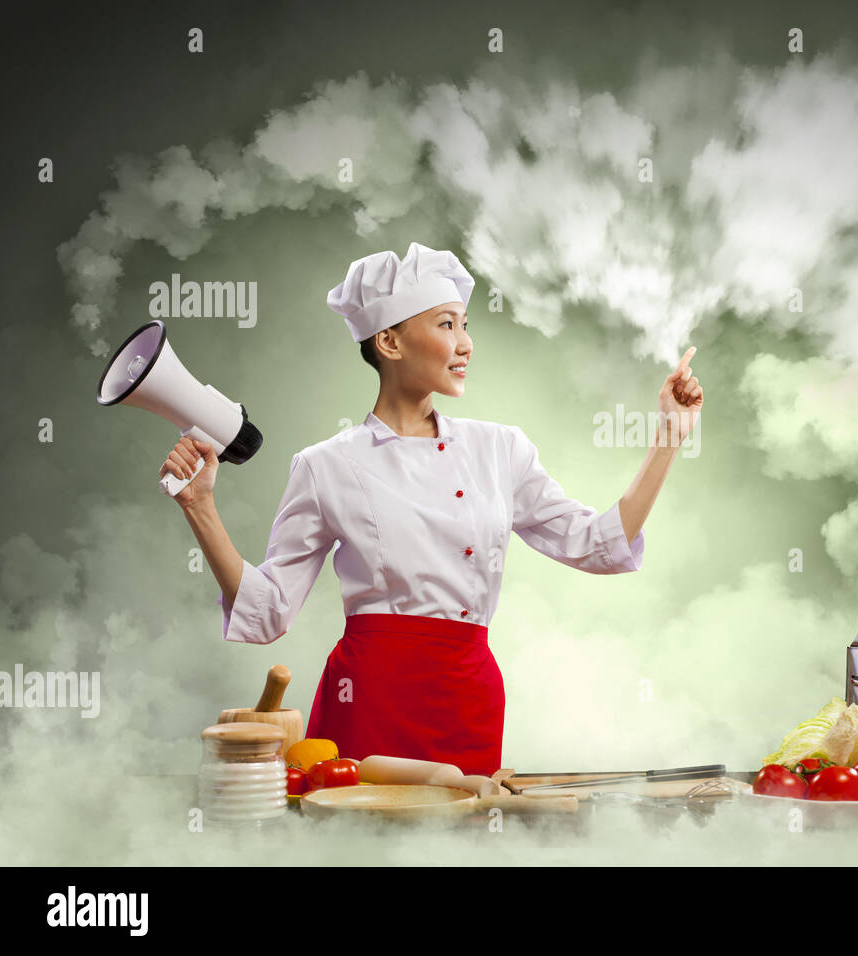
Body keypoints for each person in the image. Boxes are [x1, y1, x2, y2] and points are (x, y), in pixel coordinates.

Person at [166, 243, 703, 776]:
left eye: (466, 325)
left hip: (467, 699)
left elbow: (598, 544)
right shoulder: (325, 465)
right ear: (389, 341)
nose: (466, 343)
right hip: (369, 701)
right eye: (447, 325)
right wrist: (200, 505)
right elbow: (267, 613)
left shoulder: (500, 449)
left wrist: (669, 438)